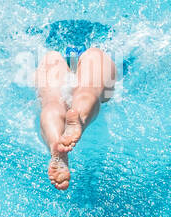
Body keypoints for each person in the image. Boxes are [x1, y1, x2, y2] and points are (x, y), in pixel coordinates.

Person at [35, 46, 117, 190]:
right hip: (96, 57)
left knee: (51, 100)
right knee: (90, 86)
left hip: (53, 56)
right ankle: (78, 119)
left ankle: (55, 142)